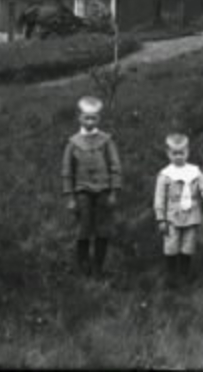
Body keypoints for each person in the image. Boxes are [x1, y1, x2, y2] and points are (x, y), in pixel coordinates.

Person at [61, 96, 122, 277]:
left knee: (103, 228)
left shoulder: (106, 141)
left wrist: (113, 191)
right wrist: (70, 197)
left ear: (99, 119)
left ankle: (98, 267)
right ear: (79, 117)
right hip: (82, 192)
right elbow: (66, 171)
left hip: (103, 191)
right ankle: (83, 266)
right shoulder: (73, 144)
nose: (90, 121)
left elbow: (115, 166)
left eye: (93, 118)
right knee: (84, 228)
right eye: (86, 117)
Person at [153, 132, 203, 283]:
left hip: (191, 215)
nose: (179, 157)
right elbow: (159, 198)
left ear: (188, 152)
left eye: (182, 153)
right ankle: (171, 275)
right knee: (171, 244)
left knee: (188, 245)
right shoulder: (165, 175)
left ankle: (184, 275)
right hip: (172, 217)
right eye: (175, 153)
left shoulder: (195, 172)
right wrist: (161, 218)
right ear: (168, 154)